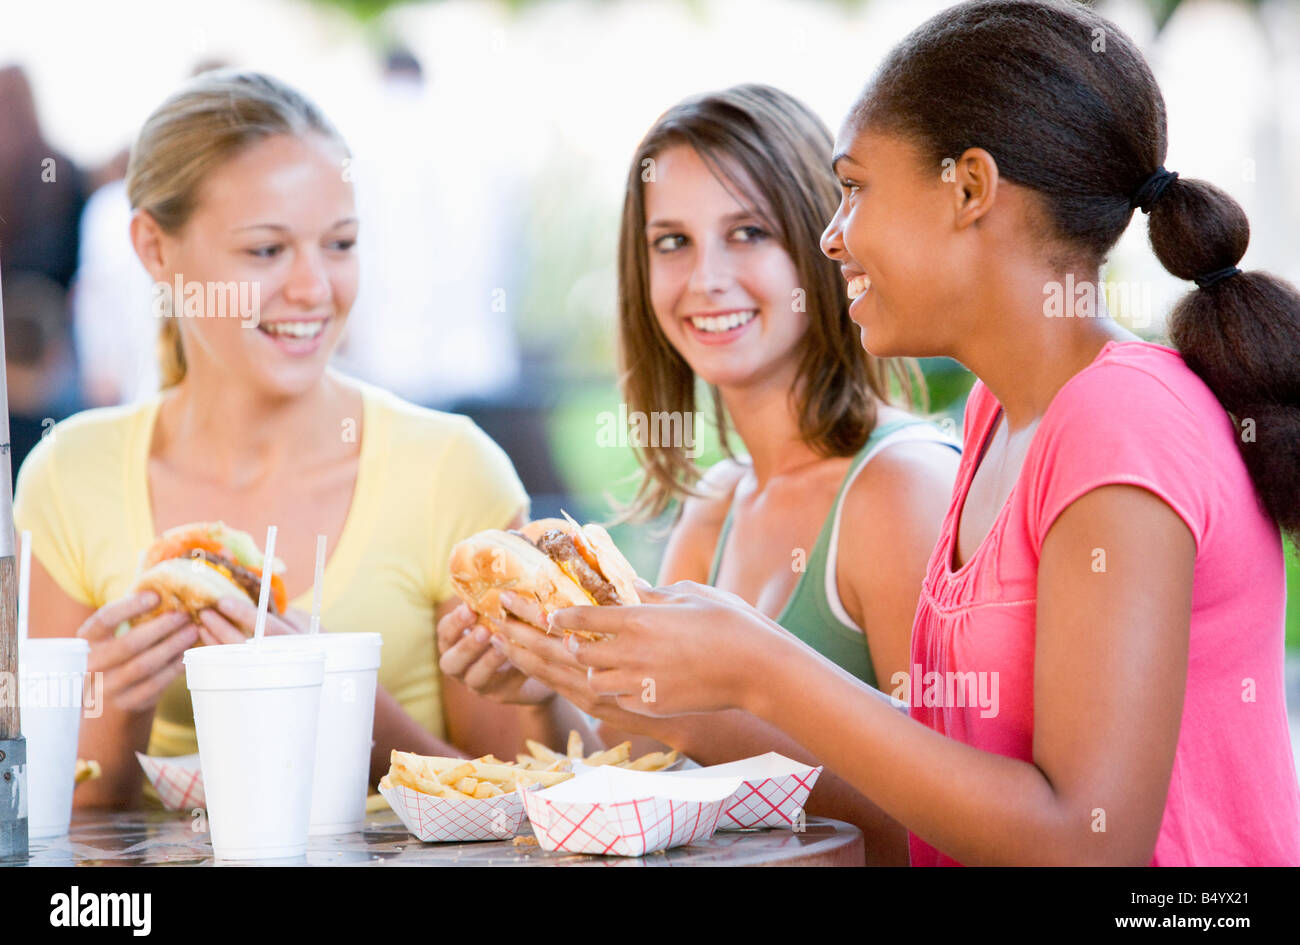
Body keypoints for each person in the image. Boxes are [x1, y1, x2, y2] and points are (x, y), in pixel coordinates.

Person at [484, 0, 1300, 865]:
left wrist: (762, 666)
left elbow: (1086, 847)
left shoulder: (1123, 420)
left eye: (853, 188)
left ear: (970, 188)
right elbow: (949, 791)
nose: (832, 239)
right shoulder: (997, 419)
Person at [438, 84, 960, 863]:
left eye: (747, 232)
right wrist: (550, 692)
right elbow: (640, 766)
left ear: (826, 244)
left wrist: (687, 715)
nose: (705, 278)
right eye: (672, 242)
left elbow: (939, 830)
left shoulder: (900, 487)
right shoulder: (717, 504)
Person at [14, 70, 556, 809]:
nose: (314, 288)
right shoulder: (68, 476)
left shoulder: (452, 472)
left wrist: (330, 693)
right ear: (153, 248)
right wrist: (114, 705)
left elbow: (522, 810)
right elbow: (64, 829)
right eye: (266, 251)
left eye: (340, 243)